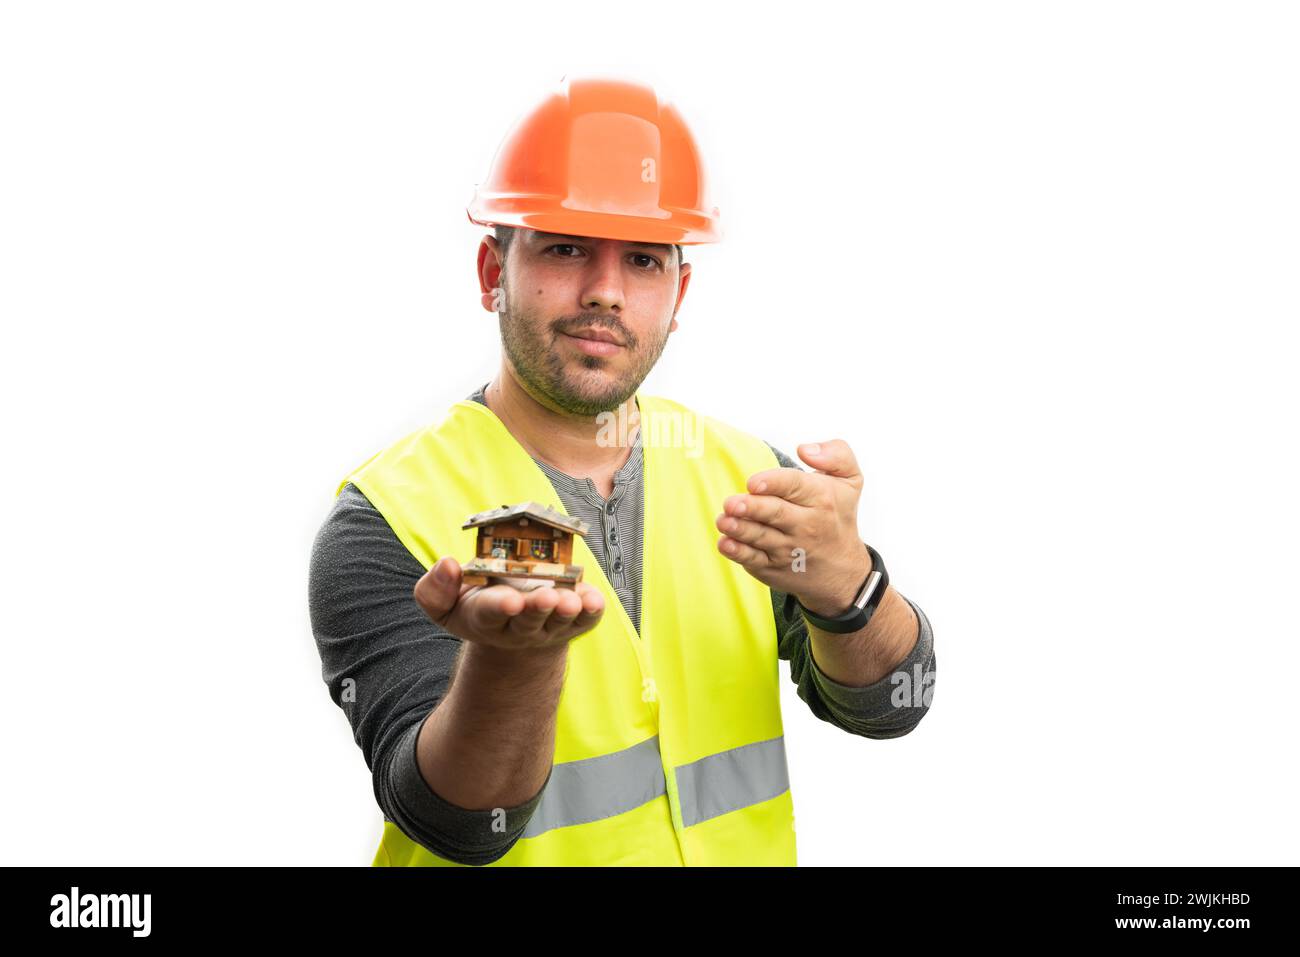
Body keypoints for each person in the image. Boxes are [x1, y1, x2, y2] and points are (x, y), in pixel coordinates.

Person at [308, 75, 936, 867]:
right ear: (490, 273)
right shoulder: (383, 516)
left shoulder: (748, 477)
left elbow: (890, 704)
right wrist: (514, 664)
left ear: (678, 293)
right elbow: (458, 822)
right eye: (566, 248)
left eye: (642, 259)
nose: (605, 291)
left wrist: (851, 587)